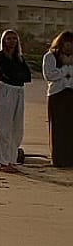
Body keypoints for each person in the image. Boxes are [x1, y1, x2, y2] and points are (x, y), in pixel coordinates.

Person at [0, 29, 31, 173]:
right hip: (5, 90)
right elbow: (7, 73)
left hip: (19, 91)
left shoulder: (19, 57)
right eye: (8, 38)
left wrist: (17, 75)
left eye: (14, 38)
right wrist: (17, 75)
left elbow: (27, 76)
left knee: (17, 128)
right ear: (4, 41)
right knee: (4, 126)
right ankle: (2, 161)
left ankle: (11, 159)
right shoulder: (1, 55)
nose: (12, 41)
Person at [42, 30, 73, 168]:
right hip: (56, 94)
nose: (68, 47)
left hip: (71, 94)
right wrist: (66, 70)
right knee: (57, 128)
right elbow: (49, 75)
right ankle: (58, 159)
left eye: (71, 44)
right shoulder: (50, 56)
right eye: (66, 44)